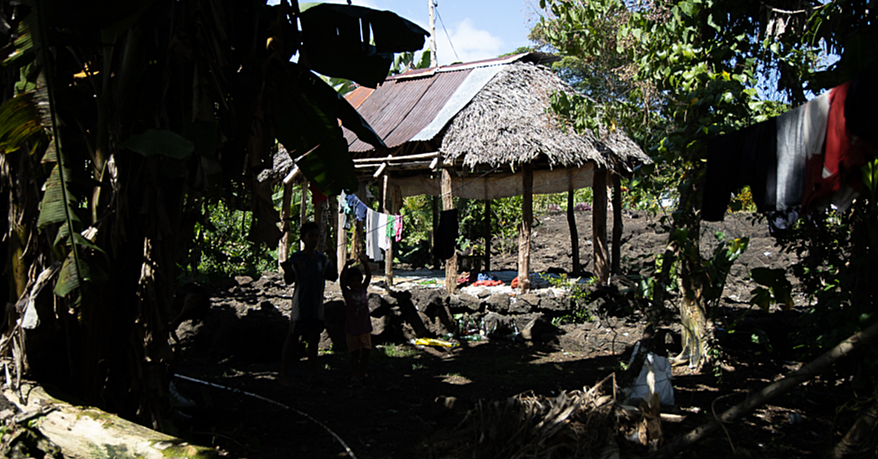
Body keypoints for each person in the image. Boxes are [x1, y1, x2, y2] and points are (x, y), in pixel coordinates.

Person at [279, 221, 337, 385]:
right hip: (300, 304)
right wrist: (287, 270)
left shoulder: (321, 258)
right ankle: (283, 374)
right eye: (311, 236)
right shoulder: (297, 258)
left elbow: (332, 276)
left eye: (317, 236)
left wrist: (335, 260)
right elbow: (289, 281)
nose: (314, 239)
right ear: (303, 238)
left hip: (316, 305)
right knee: (292, 337)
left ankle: (313, 373)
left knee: (314, 339)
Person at [340, 252, 372, 383]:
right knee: (354, 353)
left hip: (364, 327)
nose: (355, 283)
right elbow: (341, 282)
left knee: (366, 352)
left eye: (357, 280)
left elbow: (368, 277)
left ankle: (362, 372)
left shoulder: (363, 289)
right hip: (352, 328)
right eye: (352, 281)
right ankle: (354, 373)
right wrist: (345, 268)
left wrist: (365, 263)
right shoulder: (347, 293)